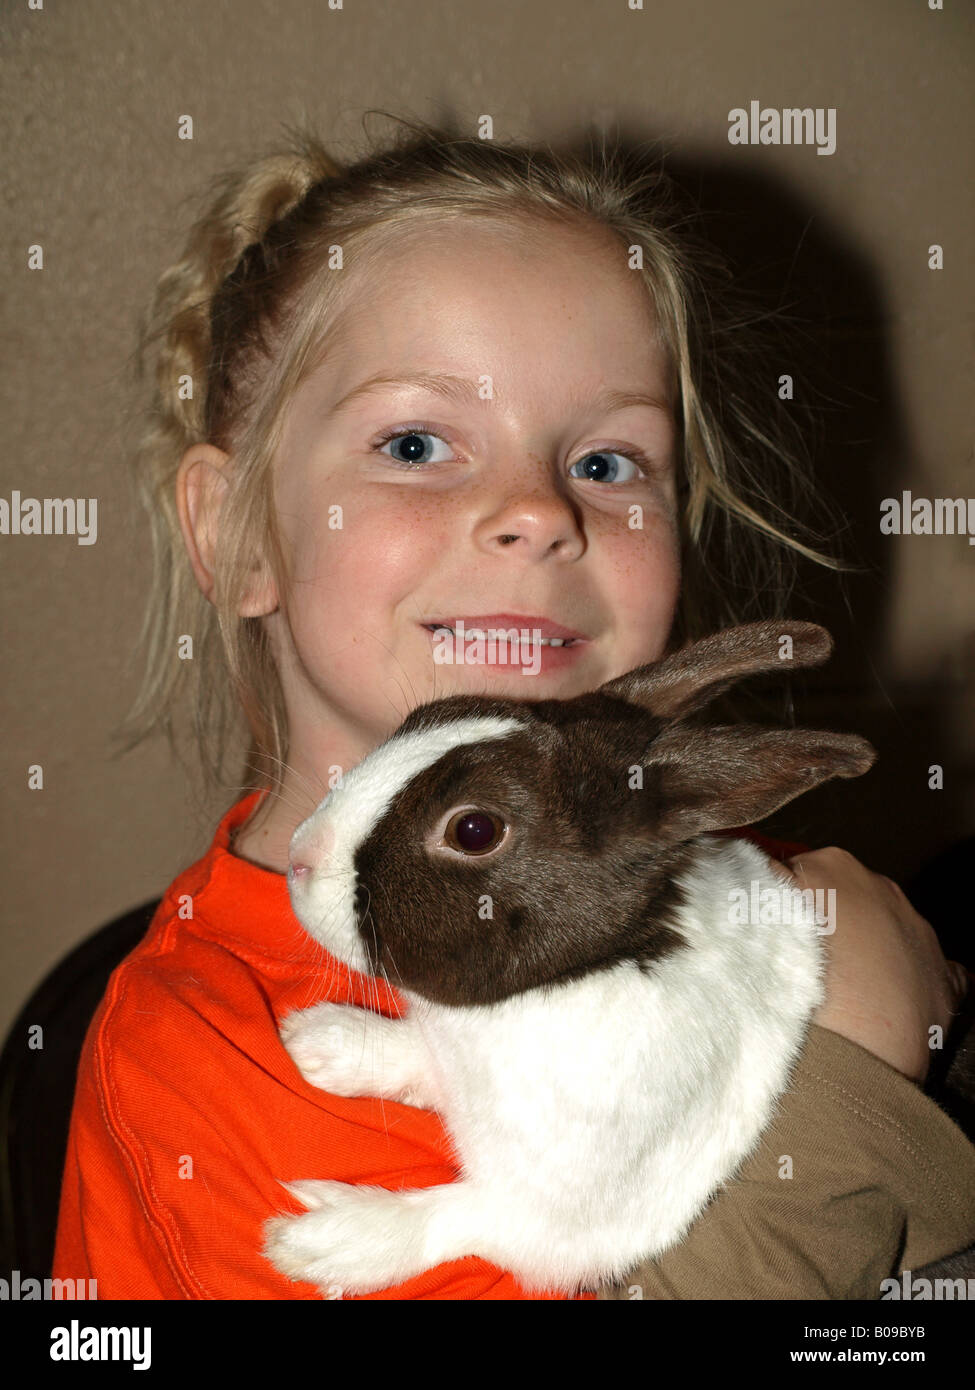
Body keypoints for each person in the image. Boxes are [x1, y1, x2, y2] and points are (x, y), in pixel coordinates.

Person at [52, 116, 975, 1299]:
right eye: (419, 440)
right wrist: (853, 1073)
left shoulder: (727, 892)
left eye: (605, 462)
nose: (539, 510)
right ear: (237, 537)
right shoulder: (204, 1059)